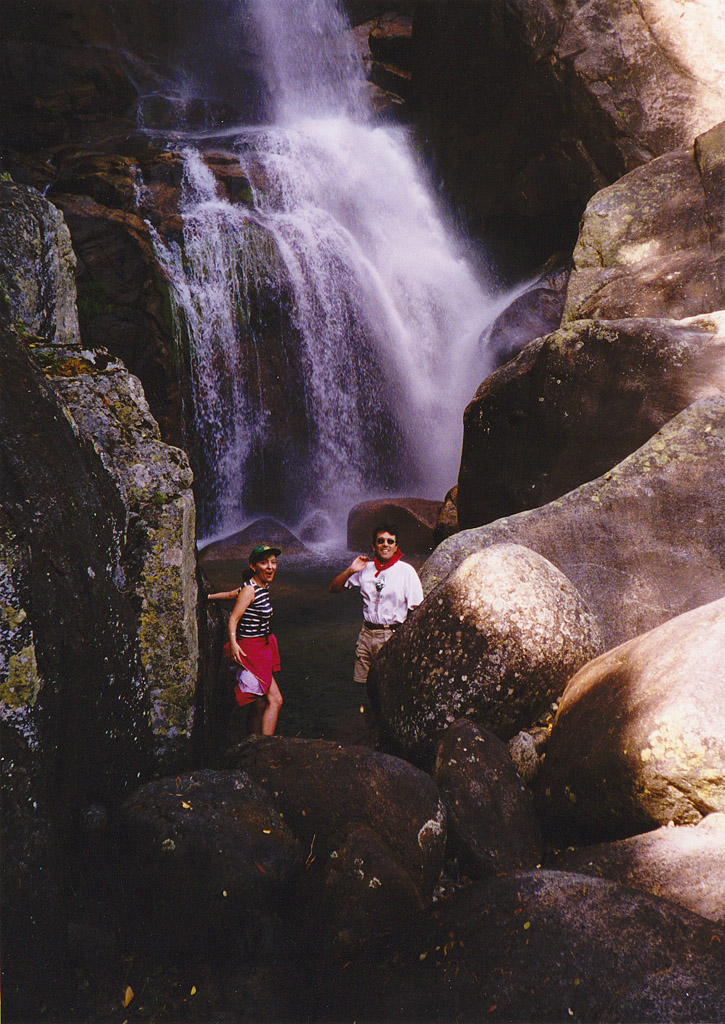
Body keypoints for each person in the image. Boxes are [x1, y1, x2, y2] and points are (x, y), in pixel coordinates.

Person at [329, 523, 423, 685]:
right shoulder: (365, 568)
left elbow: (417, 610)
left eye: (390, 541)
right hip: (366, 635)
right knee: (362, 685)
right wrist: (351, 570)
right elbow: (334, 589)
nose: (385, 544)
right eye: (381, 541)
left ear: (396, 546)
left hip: (391, 635)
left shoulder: (406, 571)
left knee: (388, 685)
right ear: (374, 546)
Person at [209, 543, 283, 736]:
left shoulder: (257, 586)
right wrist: (233, 643)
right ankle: (266, 745)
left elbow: (232, 594)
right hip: (251, 649)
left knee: (259, 703)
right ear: (253, 566)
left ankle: (254, 741)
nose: (270, 567)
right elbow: (233, 618)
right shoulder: (251, 590)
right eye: (264, 563)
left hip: (262, 646)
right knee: (275, 700)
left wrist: (207, 596)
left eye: (273, 563)